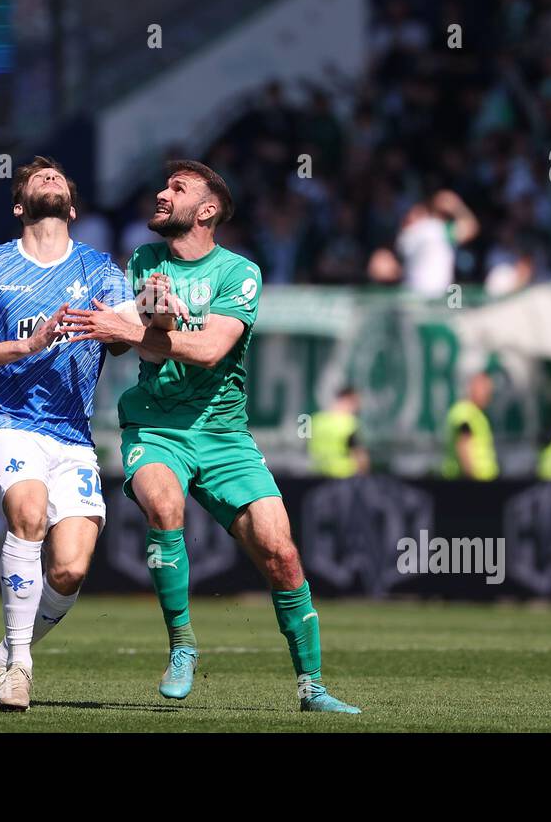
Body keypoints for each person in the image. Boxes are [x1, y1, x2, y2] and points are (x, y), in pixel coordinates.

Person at [61, 159, 360, 714]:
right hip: (155, 425)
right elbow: (130, 344)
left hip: (225, 435)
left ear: (207, 211)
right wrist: (148, 317)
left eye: (176, 189)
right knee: (163, 505)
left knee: (281, 552)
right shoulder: (145, 261)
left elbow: (210, 351)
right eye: (163, 184)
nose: (160, 193)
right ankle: (182, 646)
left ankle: (312, 688)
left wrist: (148, 328)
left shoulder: (239, 272)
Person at [0, 156, 134, 712]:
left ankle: (1, 655)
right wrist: (24, 346)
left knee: (71, 567)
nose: (49, 179)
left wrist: (152, 315)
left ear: (72, 206)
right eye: (36, 179)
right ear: (20, 204)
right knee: (27, 511)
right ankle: (20, 669)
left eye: (59, 178)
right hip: (7, 420)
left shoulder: (100, 268)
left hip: (72, 434)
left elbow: (126, 338)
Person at [367, 189, 478, 296]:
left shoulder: (405, 237)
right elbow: (471, 227)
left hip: (414, 294)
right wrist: (456, 205)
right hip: (434, 296)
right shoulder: (432, 229)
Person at [443, 371, 499, 480]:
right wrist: (471, 481)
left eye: (489, 390)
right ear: (472, 387)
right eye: (484, 389)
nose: (488, 394)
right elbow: (463, 446)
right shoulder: (466, 413)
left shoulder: (475, 414)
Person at [309, 386, 369, 478]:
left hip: (317, 477)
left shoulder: (317, 421)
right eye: (356, 402)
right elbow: (359, 456)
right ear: (348, 399)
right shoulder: (349, 423)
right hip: (343, 478)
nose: (358, 407)